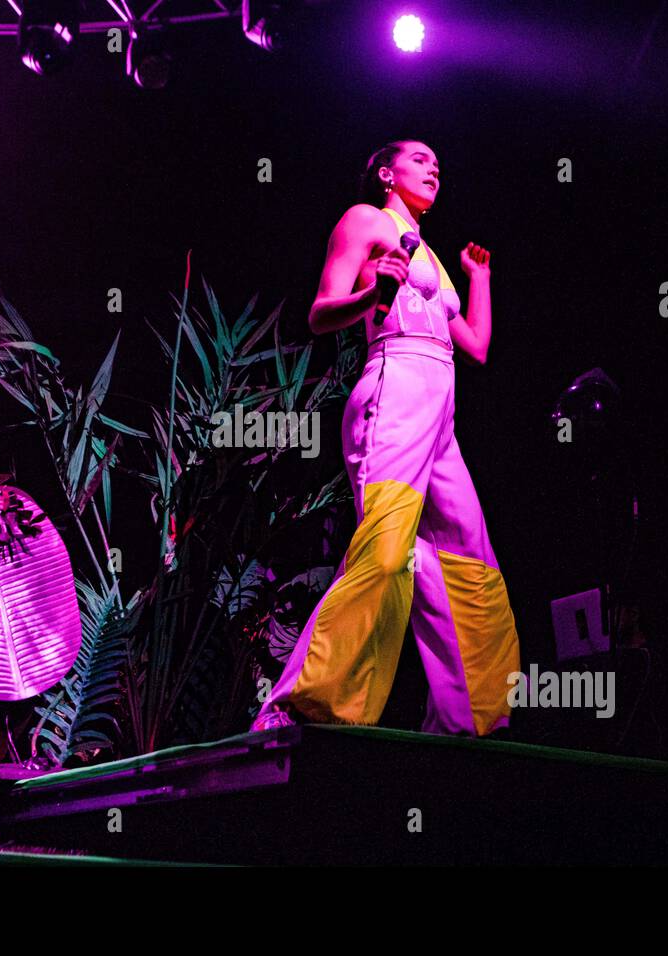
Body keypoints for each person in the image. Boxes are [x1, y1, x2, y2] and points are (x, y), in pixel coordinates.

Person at [252, 139, 520, 737]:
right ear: (385, 173)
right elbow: (321, 311)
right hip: (394, 388)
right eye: (419, 160)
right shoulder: (365, 221)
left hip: (440, 406)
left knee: (467, 556)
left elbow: (475, 346)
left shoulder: (430, 255)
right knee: (387, 548)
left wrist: (480, 278)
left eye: (438, 165)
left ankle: (470, 714)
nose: (434, 169)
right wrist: (375, 294)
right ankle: (307, 701)